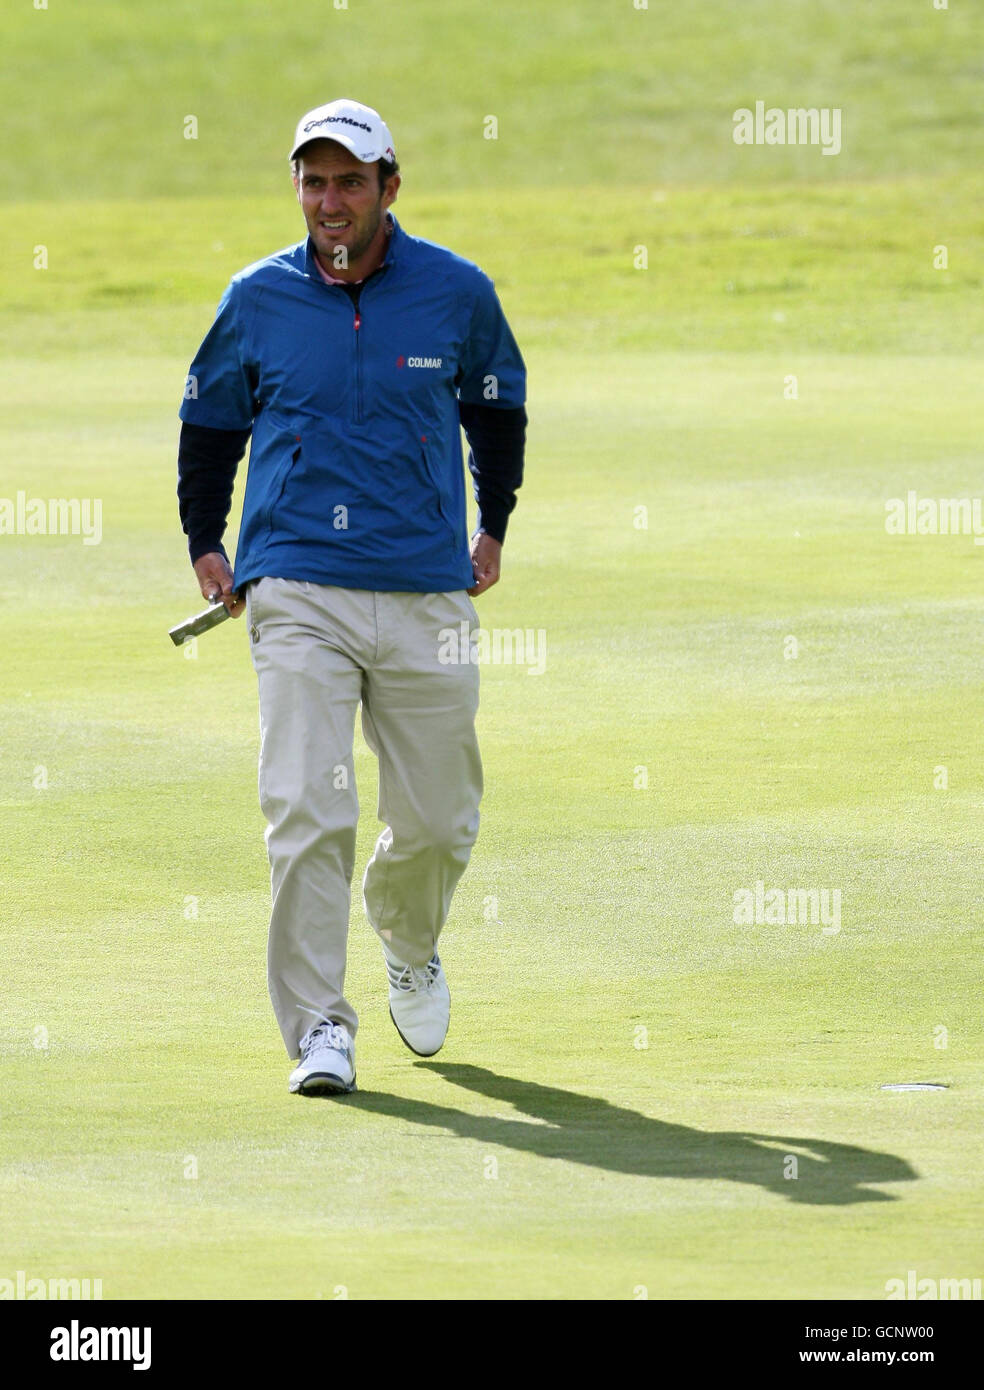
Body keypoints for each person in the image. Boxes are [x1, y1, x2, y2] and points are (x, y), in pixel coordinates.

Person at [176, 99, 527, 1097]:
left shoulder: (456, 292)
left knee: (439, 821)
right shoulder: (257, 297)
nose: (329, 202)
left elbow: (496, 407)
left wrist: (492, 522)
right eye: (313, 182)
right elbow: (211, 422)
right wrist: (207, 540)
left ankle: (409, 940)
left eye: (349, 182)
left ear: (389, 187)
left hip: (424, 586)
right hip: (295, 586)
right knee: (304, 807)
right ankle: (320, 1029)